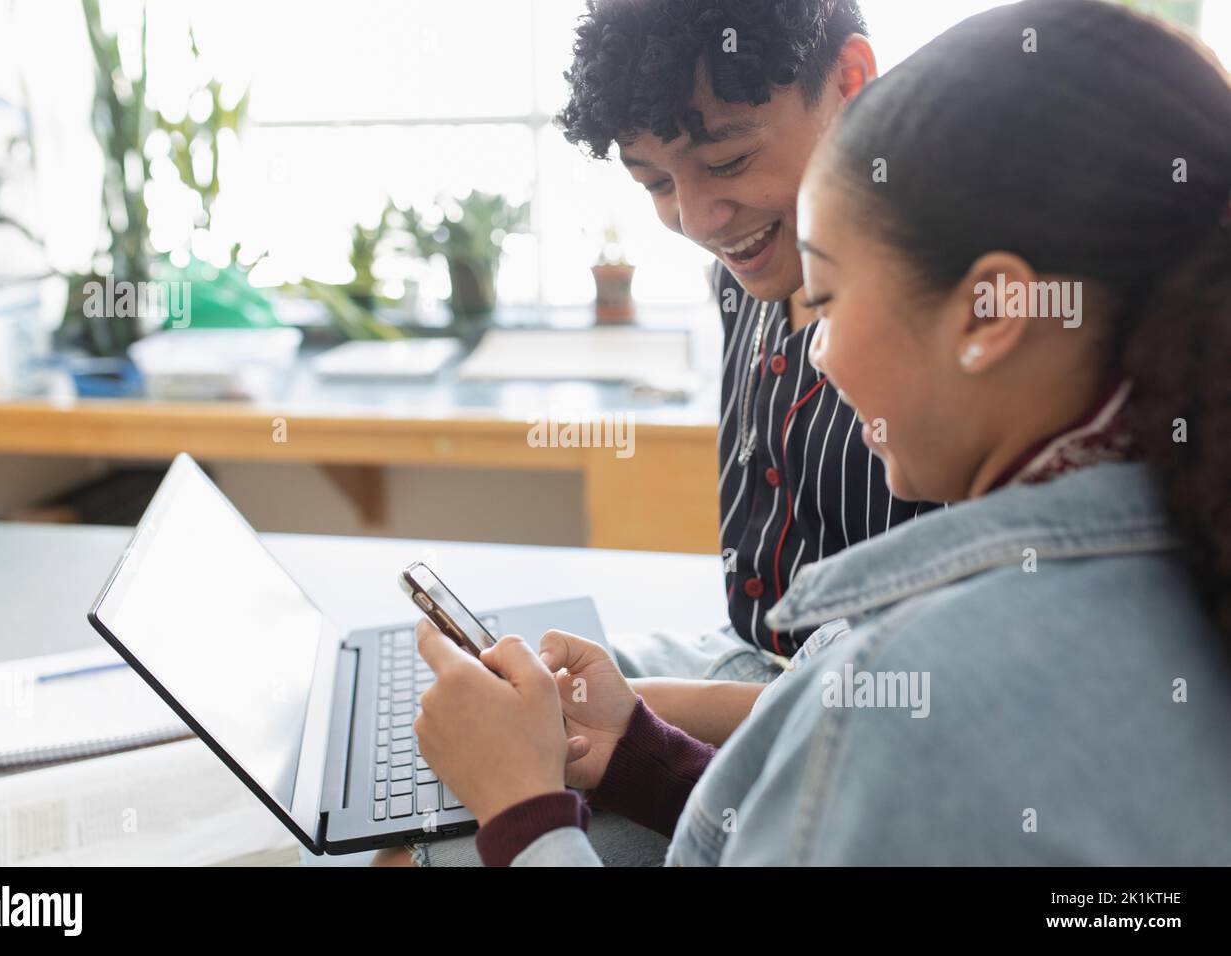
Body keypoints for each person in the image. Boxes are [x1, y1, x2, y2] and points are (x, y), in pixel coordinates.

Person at [405, 0, 1231, 866]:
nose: (818, 352)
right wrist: (641, 739)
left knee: (426, 839)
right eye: (654, 183)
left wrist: (525, 811)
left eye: (830, 302)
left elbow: (851, 726)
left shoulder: (912, 665)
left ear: (993, 311)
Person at [556, 0, 940, 710]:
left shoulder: (946, 309)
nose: (698, 220)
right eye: (656, 184)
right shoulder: (747, 279)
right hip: (747, 665)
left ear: (852, 78)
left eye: (728, 160)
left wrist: (634, 715)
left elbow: (928, 696)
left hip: (868, 721)